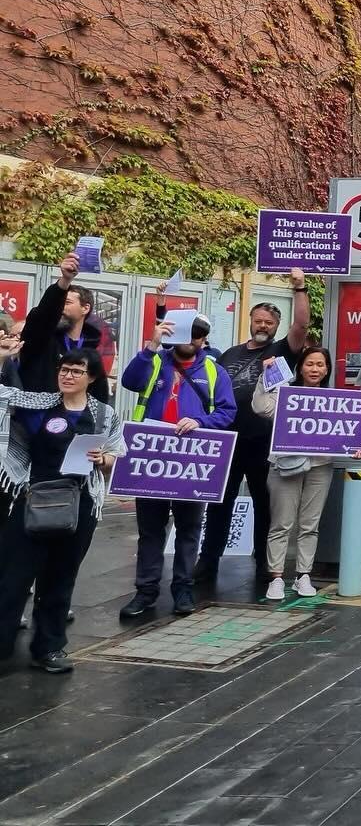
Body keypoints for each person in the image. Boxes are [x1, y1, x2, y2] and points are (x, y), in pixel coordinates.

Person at [0, 348, 123, 673]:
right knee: (12, 578)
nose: (68, 376)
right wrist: (2, 359)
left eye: (76, 371)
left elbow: (115, 455)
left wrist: (104, 460)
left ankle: (50, 648)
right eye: (64, 369)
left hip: (78, 505)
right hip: (32, 499)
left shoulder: (103, 414)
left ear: (91, 377)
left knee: (60, 578)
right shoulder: (38, 405)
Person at [118, 315, 238, 618]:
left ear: (204, 340)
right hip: (153, 459)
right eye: (188, 333)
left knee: (188, 529)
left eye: (199, 335)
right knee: (150, 530)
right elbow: (130, 381)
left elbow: (227, 412)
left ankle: (183, 588)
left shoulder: (214, 371)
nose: (192, 339)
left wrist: (201, 421)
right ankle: (146, 590)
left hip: (190, 461)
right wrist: (151, 344)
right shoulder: (156, 361)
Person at [195, 271, 309, 587]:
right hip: (228, 441)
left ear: (276, 326)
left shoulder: (283, 350)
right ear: (250, 320)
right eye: (258, 321)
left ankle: (264, 566)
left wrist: (300, 286)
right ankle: (207, 564)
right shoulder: (229, 354)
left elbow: (301, 326)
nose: (262, 326)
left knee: (265, 506)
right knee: (218, 504)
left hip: (264, 442)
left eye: (269, 323)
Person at [250, 349, 361, 601]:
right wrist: (265, 377)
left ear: (327, 370)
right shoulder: (285, 394)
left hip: (320, 466)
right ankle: (277, 578)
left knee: (309, 525)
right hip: (285, 465)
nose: (315, 369)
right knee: (281, 524)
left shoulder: (335, 400)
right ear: (300, 367)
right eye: (310, 364)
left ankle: (303, 575)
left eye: (320, 365)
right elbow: (261, 408)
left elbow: (347, 431)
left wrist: (355, 447)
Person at [17, 252, 109, 405]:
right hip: (35, 422)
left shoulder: (91, 351)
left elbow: (99, 396)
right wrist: (65, 281)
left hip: (74, 424)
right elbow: (43, 317)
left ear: (85, 308)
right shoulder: (41, 339)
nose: (60, 308)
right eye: (59, 303)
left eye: (66, 303)